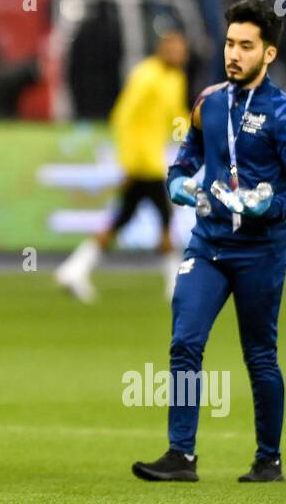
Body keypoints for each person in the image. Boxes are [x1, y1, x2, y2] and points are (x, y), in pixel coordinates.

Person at [132, 0, 286, 483]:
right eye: (230, 43)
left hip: (261, 251)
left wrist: (266, 206)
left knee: (260, 355)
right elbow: (186, 157)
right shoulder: (208, 102)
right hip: (207, 246)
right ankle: (181, 455)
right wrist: (178, 182)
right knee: (184, 342)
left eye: (246, 46)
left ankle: (268, 459)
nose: (233, 54)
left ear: (269, 54)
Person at [55, 28, 190, 303]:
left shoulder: (175, 78)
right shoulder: (146, 76)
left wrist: (196, 133)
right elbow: (123, 116)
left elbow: (177, 118)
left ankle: (74, 268)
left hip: (152, 161)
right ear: (162, 49)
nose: (179, 54)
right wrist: (127, 161)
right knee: (164, 220)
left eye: (181, 50)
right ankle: (175, 285)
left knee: (124, 220)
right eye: (174, 48)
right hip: (143, 163)